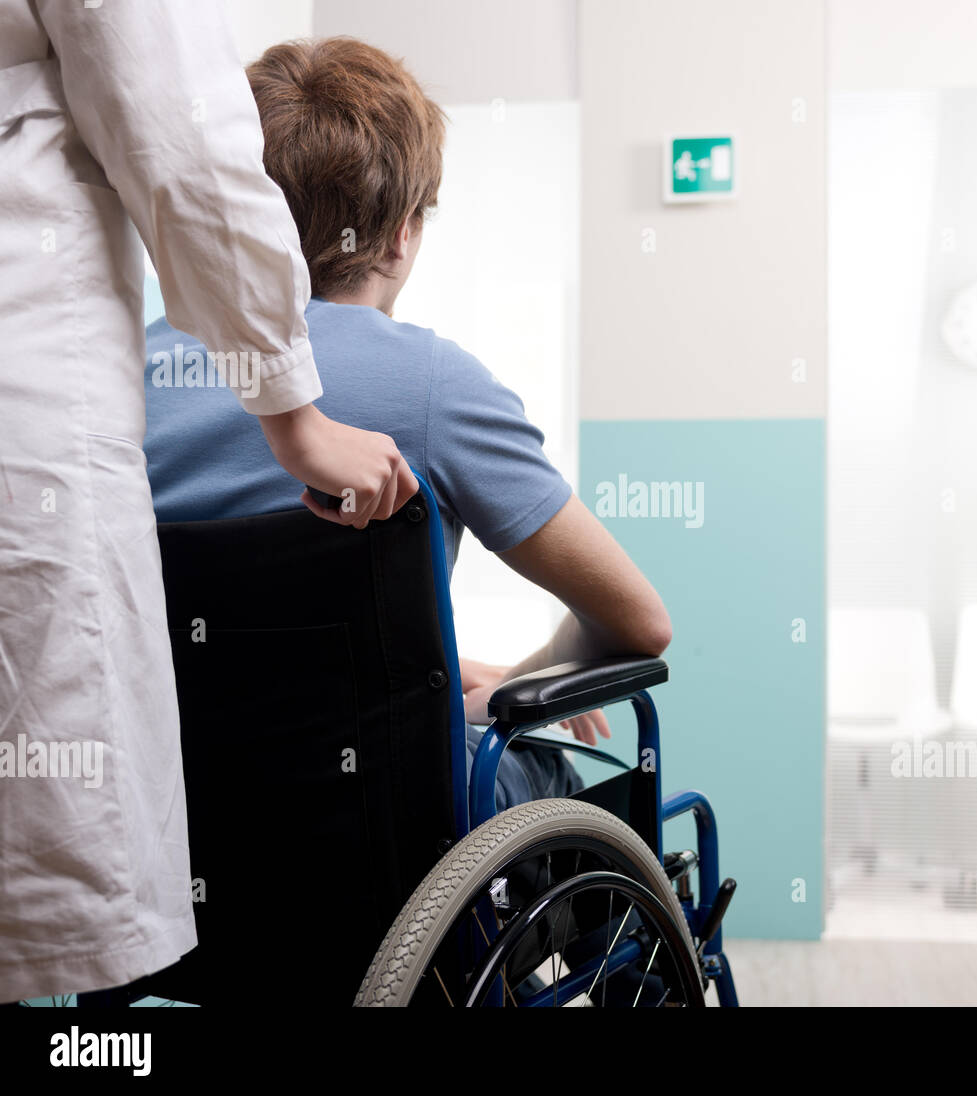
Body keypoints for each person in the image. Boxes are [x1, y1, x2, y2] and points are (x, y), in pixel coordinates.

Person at [0, 3, 418, 1003]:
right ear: (401, 231)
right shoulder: (430, 386)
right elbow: (178, 131)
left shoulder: (160, 375)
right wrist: (293, 417)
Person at [142, 37, 672, 808]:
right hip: (378, 837)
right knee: (552, 774)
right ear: (400, 234)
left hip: (176, 821)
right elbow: (637, 622)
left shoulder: (137, 372)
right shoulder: (432, 385)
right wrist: (515, 681)